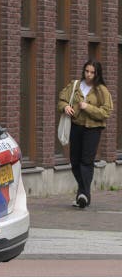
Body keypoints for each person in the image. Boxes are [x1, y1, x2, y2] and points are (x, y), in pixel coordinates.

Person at [57, 59, 113, 208]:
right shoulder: (75, 85)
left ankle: (83, 195)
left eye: (92, 72)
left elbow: (106, 112)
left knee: (86, 161)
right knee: (74, 161)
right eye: (87, 71)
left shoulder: (101, 90)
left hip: (93, 129)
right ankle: (83, 193)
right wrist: (64, 108)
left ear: (97, 74)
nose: (89, 75)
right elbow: (61, 99)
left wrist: (87, 107)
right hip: (76, 127)